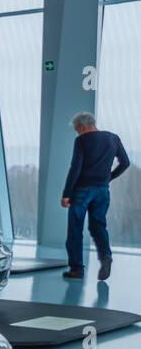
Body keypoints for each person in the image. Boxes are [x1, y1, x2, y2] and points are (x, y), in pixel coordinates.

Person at [61, 112, 129, 280]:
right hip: (102, 190)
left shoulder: (82, 141)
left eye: (77, 130)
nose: (78, 133)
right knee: (98, 226)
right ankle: (106, 256)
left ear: (82, 126)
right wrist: (109, 177)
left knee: (75, 229)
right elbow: (125, 162)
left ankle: (77, 269)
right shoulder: (113, 138)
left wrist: (66, 193)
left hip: (82, 191)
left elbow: (75, 168)